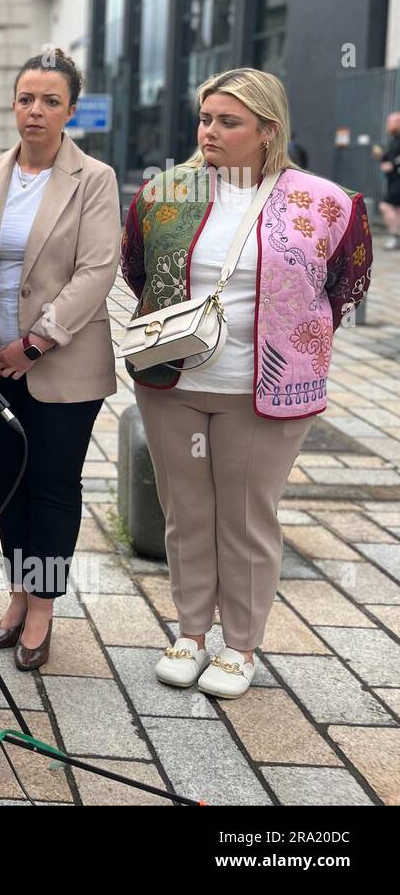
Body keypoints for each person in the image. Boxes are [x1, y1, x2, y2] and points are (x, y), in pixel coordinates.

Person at [122, 67, 372, 700]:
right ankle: (189, 632)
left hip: (265, 391)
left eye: (228, 122)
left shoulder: (324, 201)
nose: (210, 131)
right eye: (205, 118)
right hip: (173, 380)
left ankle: (240, 646)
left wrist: (293, 338)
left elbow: (343, 284)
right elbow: (137, 268)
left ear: (268, 130)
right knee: (186, 513)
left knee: (246, 515)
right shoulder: (163, 194)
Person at [0, 50, 120, 671]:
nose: (36, 111)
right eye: (26, 98)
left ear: (70, 109)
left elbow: (96, 272)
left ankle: (42, 606)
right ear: (14, 104)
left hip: (61, 363)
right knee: (8, 485)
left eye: (51, 101)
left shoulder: (94, 179)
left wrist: (35, 342)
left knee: (54, 486)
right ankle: (15, 597)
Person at [372, 113, 400, 249]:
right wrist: (382, 156)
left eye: (391, 122)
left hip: (398, 179)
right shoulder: (394, 140)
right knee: (397, 209)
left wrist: (393, 165)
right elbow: (390, 158)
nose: (388, 125)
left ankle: (395, 237)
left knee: (385, 206)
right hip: (394, 179)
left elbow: (394, 161)